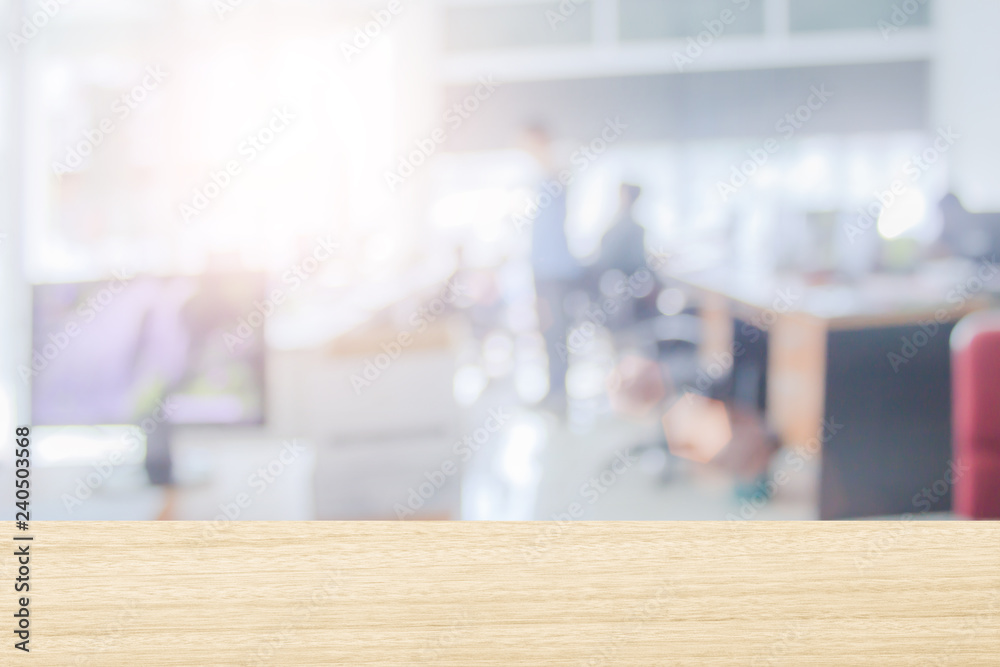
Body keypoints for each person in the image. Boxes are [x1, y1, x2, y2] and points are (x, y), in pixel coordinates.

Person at [522, 124, 583, 406]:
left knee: (556, 333)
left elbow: (563, 164)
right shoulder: (540, 177)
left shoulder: (555, 172)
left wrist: (549, 150)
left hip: (554, 273)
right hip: (543, 271)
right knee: (548, 333)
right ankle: (554, 390)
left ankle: (558, 394)